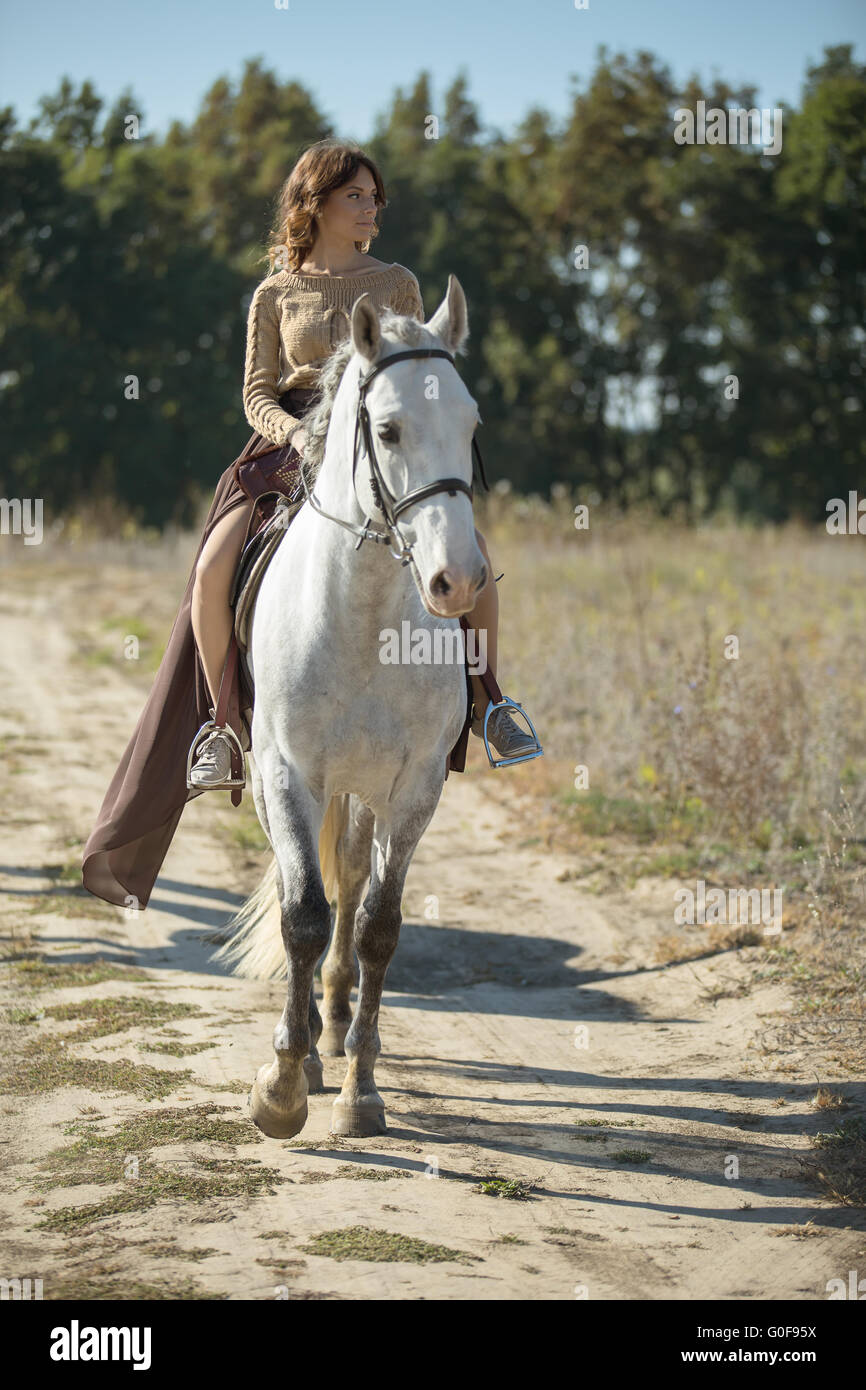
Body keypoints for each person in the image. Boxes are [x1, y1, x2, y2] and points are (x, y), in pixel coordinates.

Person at [81, 139, 540, 911]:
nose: (371, 209)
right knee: (213, 566)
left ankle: (490, 698)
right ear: (317, 202)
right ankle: (225, 724)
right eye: (356, 196)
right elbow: (256, 391)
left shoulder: (397, 283)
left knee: (476, 555)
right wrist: (292, 433)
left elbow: (416, 374)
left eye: (375, 198)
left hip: (376, 442)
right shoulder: (274, 292)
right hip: (288, 444)